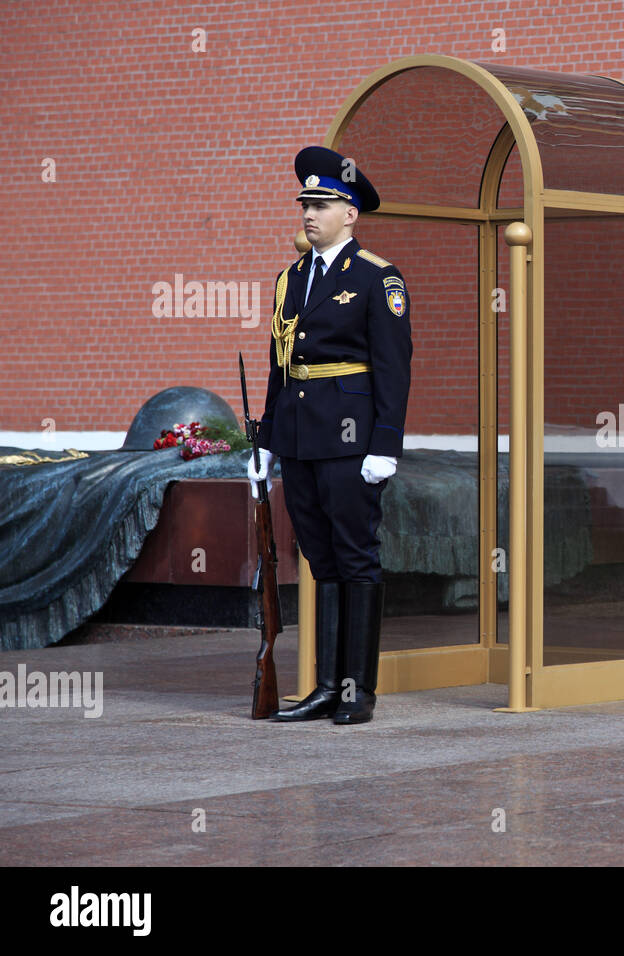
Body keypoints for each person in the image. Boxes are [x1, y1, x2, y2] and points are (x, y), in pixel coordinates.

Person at [247, 146, 411, 725]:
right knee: (320, 560)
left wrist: (385, 445)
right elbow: (280, 364)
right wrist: (266, 441)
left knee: (356, 556)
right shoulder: (289, 279)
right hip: (299, 439)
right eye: (305, 204)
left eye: (321, 204)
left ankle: (356, 691)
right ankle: (323, 687)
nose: (308, 214)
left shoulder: (376, 278)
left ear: (351, 214)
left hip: (350, 440)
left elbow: (394, 368)